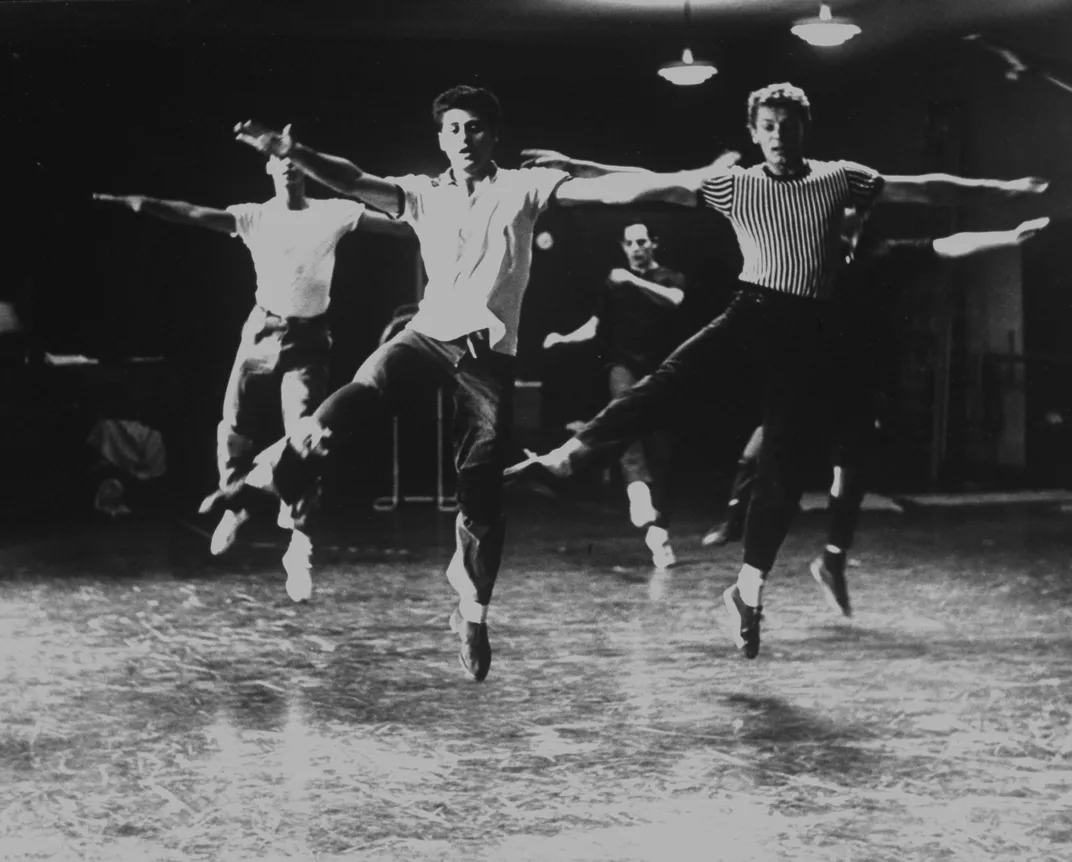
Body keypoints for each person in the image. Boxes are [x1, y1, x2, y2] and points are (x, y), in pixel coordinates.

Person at [200, 85, 724, 681]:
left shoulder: (524, 187)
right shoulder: (422, 194)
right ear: (441, 139)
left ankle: (473, 613)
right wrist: (295, 152)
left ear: (493, 135)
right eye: (453, 128)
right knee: (350, 401)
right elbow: (352, 179)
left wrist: (685, 179)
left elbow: (610, 191)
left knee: (481, 486)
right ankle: (254, 488)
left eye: (474, 127)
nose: (464, 138)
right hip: (424, 338)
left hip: (487, 358)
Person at [508, 82, 1048, 659]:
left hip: (807, 333)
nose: (779, 136)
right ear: (754, 132)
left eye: (788, 125)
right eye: (768, 126)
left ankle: (748, 592)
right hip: (753, 311)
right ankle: (570, 455)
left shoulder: (839, 178)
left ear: (804, 128)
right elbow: (650, 181)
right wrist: (576, 167)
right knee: (669, 380)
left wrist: (1003, 190)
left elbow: (925, 187)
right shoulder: (735, 183)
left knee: (784, 469)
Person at [94, 151, 408, 602]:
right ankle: (237, 501)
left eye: (295, 158)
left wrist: (446, 217)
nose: (288, 165)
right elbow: (194, 214)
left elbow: (399, 225)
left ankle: (300, 543)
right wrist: (142, 203)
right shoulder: (254, 216)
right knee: (234, 424)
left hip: (310, 341)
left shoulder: (335, 212)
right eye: (279, 158)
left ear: (307, 168)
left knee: (306, 436)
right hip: (261, 333)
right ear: (269, 169)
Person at [705, 211, 1052, 618]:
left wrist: (1009, 236)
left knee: (851, 474)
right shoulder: (800, 254)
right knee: (768, 460)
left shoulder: (884, 255)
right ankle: (740, 541)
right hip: (805, 380)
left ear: (864, 214)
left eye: (854, 204)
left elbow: (948, 245)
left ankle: (832, 561)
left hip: (857, 381)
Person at [543, 222, 686, 568]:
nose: (636, 248)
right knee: (623, 416)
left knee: (666, 457)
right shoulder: (613, 284)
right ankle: (637, 490)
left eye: (642, 241)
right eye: (630, 243)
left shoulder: (670, 278)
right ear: (623, 247)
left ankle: (659, 531)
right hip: (623, 365)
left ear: (653, 244)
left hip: (663, 371)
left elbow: (675, 300)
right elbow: (595, 325)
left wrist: (633, 281)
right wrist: (563, 338)